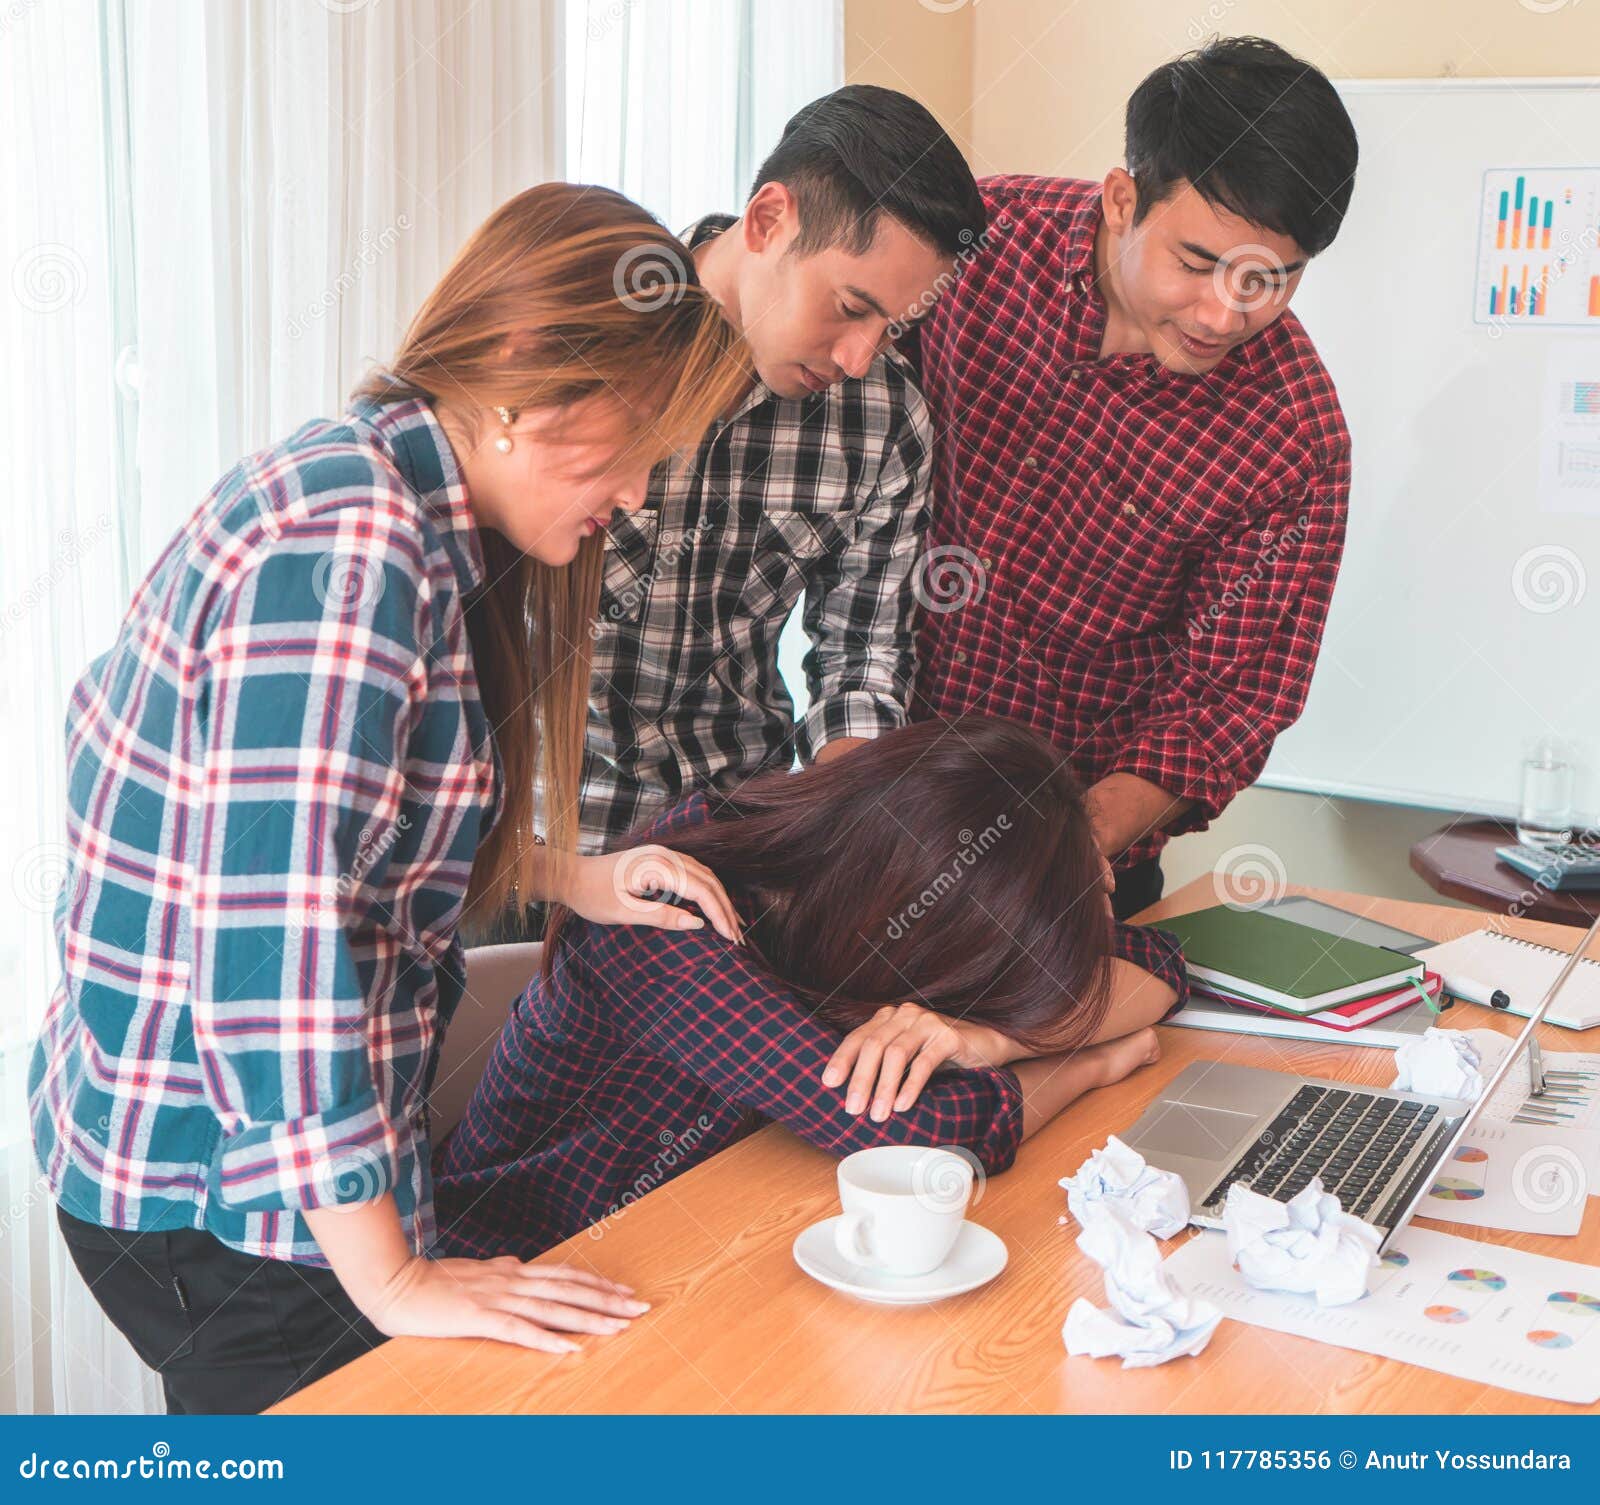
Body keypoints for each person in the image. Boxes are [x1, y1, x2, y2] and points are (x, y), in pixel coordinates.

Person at [28, 184, 752, 1414]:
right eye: (634, 444)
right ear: (524, 375)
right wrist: (399, 1277)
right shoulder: (351, 552)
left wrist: (571, 872)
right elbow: (271, 945)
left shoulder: (384, 506)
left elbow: (364, 835)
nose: (636, 495)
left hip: (239, 1170)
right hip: (218, 1193)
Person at [432, 715, 1187, 1261]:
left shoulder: (863, 881)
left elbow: (1158, 963)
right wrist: (1087, 1063)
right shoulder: (674, 917)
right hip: (518, 1262)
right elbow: (911, 1136)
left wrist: (994, 1037)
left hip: (702, 1227)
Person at [907, 37, 1359, 920]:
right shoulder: (975, 248)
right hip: (875, 798)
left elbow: (1228, 705)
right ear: (1123, 200)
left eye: (1270, 280)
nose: (1224, 313)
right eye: (1194, 263)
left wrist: (1069, 841)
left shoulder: (1290, 440)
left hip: (1072, 865)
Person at [540, 85, 986, 885]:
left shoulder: (885, 417)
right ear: (769, 220)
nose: (860, 356)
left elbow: (863, 656)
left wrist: (850, 817)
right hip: (534, 848)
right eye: (851, 307)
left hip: (729, 849)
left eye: (894, 326)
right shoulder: (593, 337)